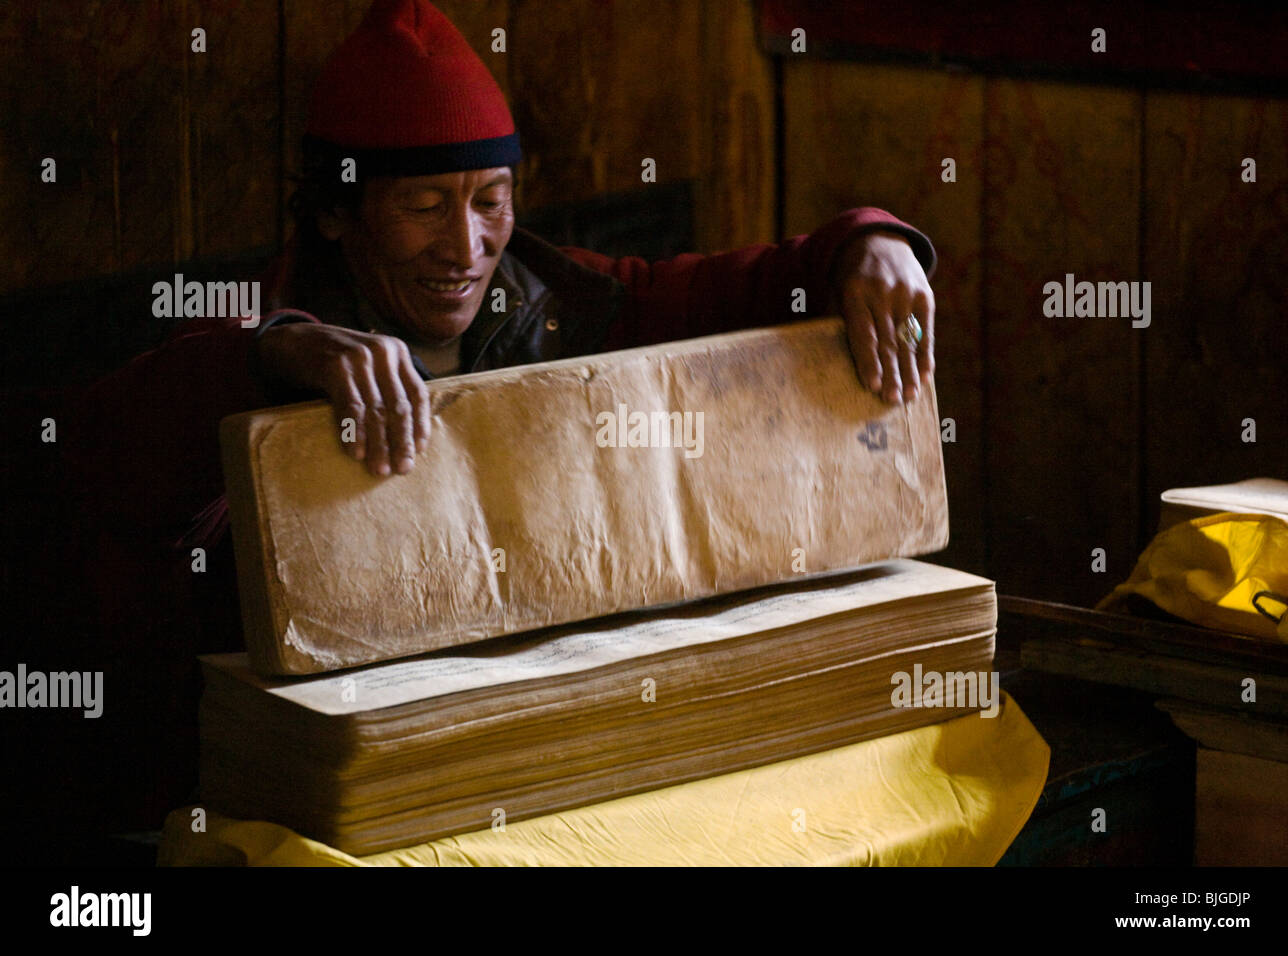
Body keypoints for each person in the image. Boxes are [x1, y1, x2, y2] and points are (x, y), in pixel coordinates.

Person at [60, 0, 938, 826]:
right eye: (422, 205)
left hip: (549, 748)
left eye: (490, 200)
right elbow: (103, 448)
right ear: (334, 211)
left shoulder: (567, 305)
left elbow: (738, 287)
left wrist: (867, 243)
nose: (466, 247)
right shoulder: (264, 340)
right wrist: (279, 355)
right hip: (346, 778)